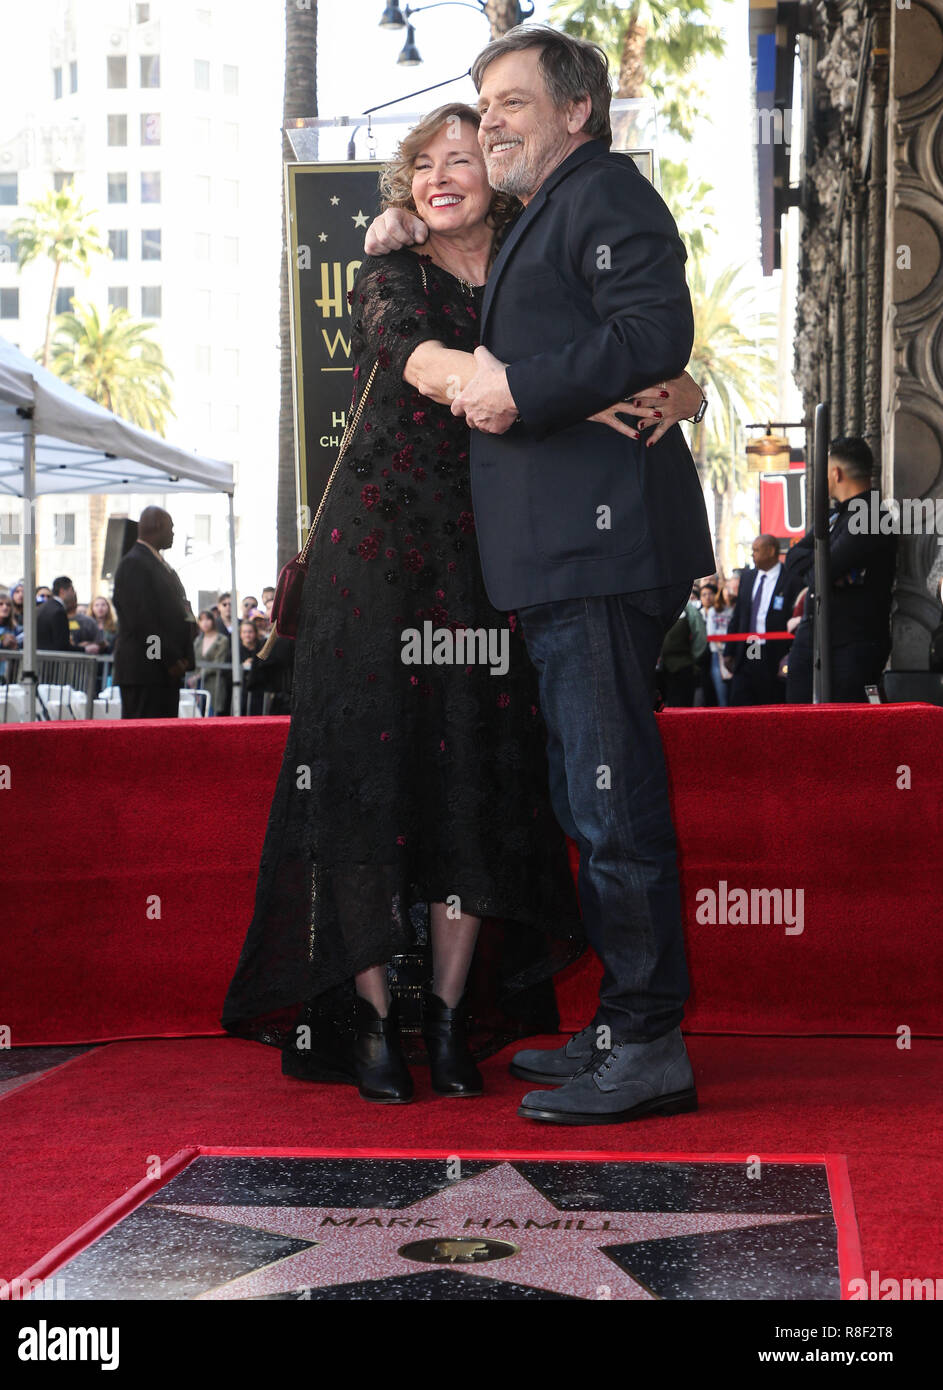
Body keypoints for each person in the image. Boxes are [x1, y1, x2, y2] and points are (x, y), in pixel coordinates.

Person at [221, 90, 706, 1109]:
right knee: (365, 786)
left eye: (466, 157)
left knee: (473, 788)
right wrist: (493, 381)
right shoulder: (391, 269)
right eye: (426, 162)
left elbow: (630, 342)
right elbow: (418, 357)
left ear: (501, 175)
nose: (443, 175)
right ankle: (368, 1029)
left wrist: (681, 387)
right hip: (376, 564)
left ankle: (445, 1022)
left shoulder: (536, 263)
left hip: (492, 566)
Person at [360, 24, 715, 1125]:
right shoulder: (544, 214)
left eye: (513, 103)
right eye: (484, 105)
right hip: (562, 558)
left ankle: (650, 1039)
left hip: (600, 550)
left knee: (613, 804)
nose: (492, 122)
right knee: (588, 797)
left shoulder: (607, 195)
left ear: (578, 111)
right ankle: (621, 1018)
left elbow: (658, 327)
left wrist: (518, 386)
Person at [784, 437, 897, 703]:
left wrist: (819, 568)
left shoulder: (870, 518)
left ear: (836, 473)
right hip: (818, 639)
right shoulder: (835, 516)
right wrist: (821, 566)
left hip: (851, 644)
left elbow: (818, 575)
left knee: (844, 729)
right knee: (795, 724)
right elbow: (793, 558)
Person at [112, 507, 198, 719]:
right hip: (146, 672)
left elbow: (181, 610)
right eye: (171, 528)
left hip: (163, 675)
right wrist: (168, 660)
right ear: (157, 526)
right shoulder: (134, 564)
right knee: (143, 741)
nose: (173, 534)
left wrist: (186, 655)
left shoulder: (162, 566)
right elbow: (141, 621)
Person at [726, 535, 795, 705]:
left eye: (756, 550)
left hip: (773, 653)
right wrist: (729, 651)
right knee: (740, 699)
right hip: (749, 647)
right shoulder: (748, 578)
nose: (752, 554)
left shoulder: (791, 581)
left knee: (769, 701)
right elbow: (738, 616)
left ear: (771, 551)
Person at [192, 609, 230, 715]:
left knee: (213, 716)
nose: (205, 622)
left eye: (208, 619)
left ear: (213, 621)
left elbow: (218, 662)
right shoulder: (197, 640)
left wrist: (199, 675)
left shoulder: (222, 640)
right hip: (197, 686)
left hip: (215, 684)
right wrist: (194, 679)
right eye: (201, 619)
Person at [705, 579, 735, 707]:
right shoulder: (713, 611)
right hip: (718, 656)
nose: (728, 593)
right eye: (726, 589)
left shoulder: (735, 611)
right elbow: (711, 634)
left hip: (733, 655)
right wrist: (724, 646)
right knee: (722, 696)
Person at [35, 576, 75, 653]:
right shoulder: (58, 611)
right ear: (62, 591)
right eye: (71, 590)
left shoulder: (45, 607)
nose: (73, 593)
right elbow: (62, 646)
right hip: (50, 660)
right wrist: (85, 649)